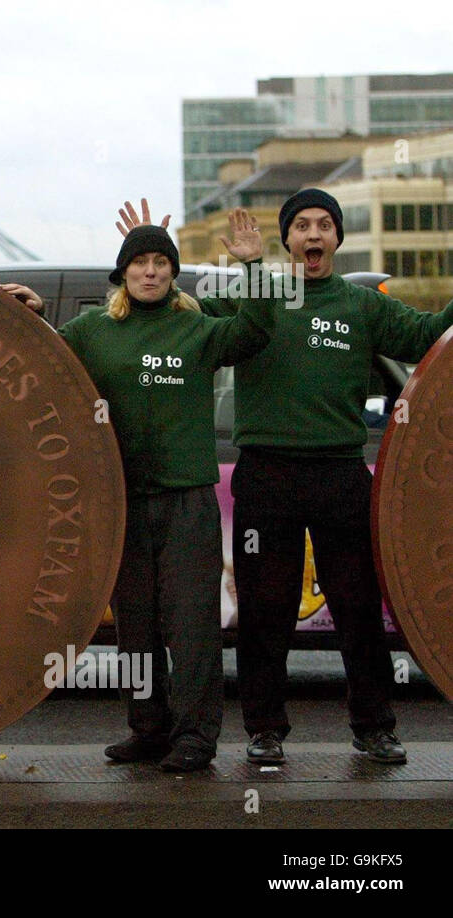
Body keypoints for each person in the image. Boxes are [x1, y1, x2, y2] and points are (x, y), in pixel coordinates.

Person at [123, 191, 453, 765]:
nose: (313, 235)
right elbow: (166, 306)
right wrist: (151, 246)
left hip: (340, 474)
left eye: (324, 225)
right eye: (301, 225)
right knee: (264, 609)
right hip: (266, 475)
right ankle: (265, 729)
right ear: (287, 239)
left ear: (338, 238)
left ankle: (374, 726)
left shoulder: (363, 307)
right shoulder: (252, 295)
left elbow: (429, 335)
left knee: (356, 606)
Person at [5, 208, 274, 772]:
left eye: (160, 263)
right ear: (122, 274)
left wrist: (252, 266)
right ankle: (148, 729)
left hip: (187, 500)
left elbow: (254, 330)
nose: (150, 272)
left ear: (172, 274)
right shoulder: (94, 333)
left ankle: (195, 737)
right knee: (136, 624)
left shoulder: (197, 330)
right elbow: (47, 356)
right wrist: (29, 314)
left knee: (192, 622)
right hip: (123, 500)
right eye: (140, 263)